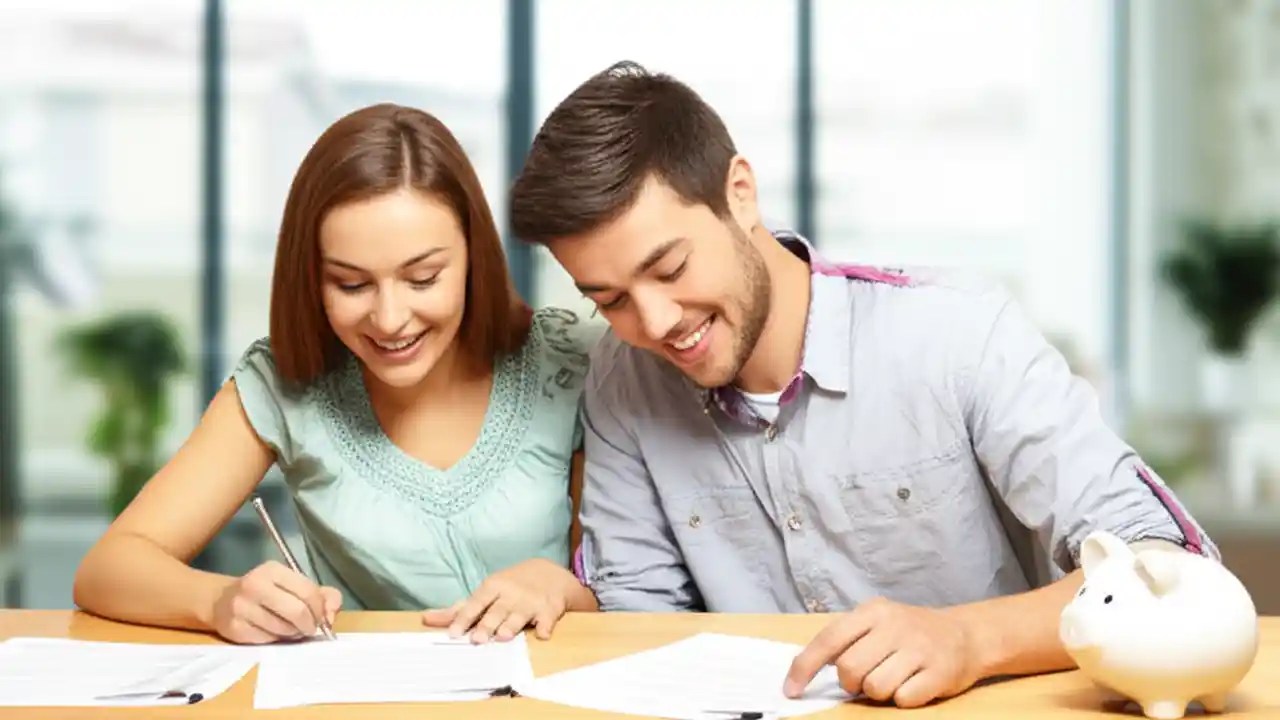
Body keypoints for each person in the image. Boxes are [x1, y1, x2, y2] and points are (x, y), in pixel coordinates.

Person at [508, 61, 1220, 708]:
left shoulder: (955, 333)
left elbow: (1168, 562)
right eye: (609, 300)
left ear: (740, 194)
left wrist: (968, 640)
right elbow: (638, 617)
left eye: (669, 270)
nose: (655, 323)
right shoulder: (621, 382)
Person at [73, 103, 601, 645]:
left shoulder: (568, 364)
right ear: (311, 277)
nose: (390, 319)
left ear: (474, 258)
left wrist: (561, 587)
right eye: (351, 285)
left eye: (423, 278)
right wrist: (218, 601)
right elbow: (110, 567)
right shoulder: (282, 384)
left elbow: (630, 597)